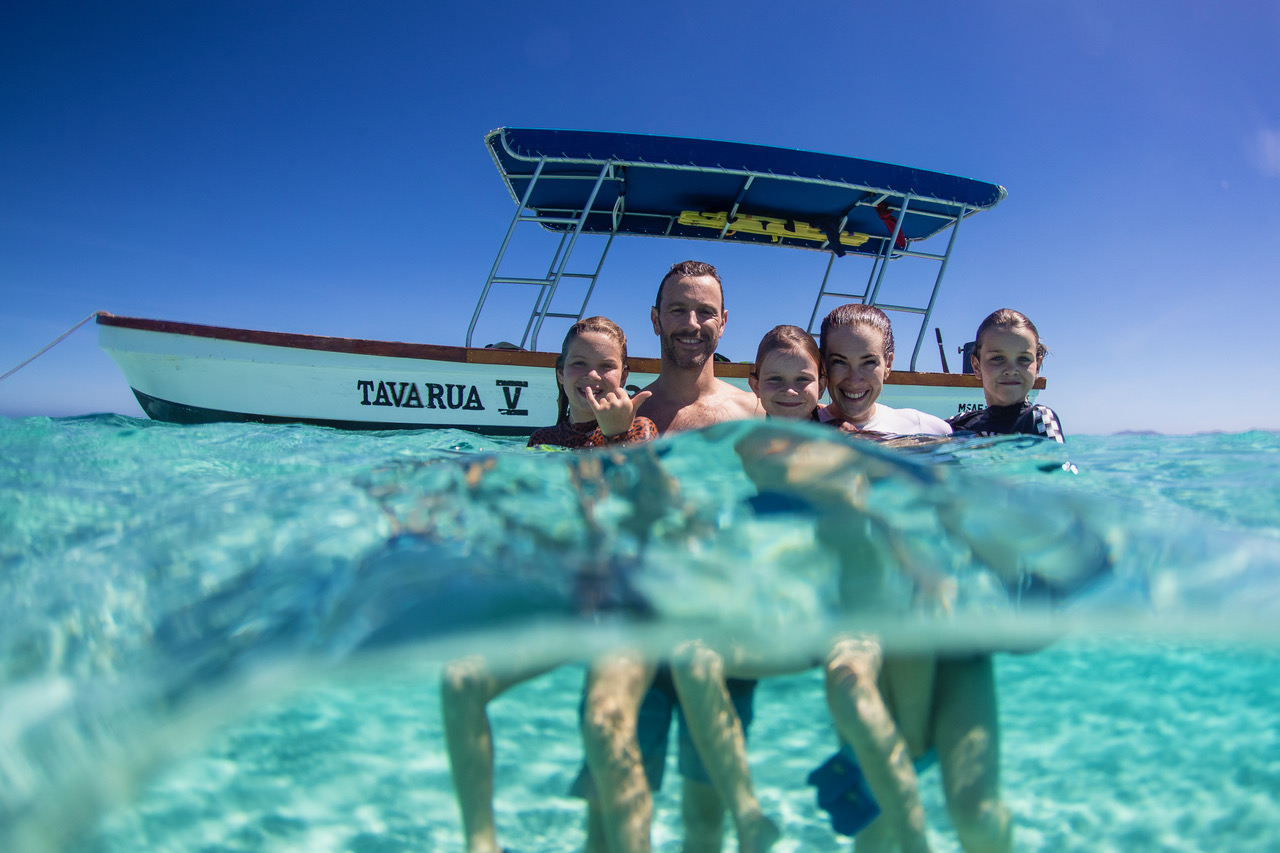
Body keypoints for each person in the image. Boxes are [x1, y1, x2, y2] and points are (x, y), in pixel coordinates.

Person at [442, 316, 656, 853]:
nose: (592, 376)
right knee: (461, 679)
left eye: (606, 365)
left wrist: (616, 438)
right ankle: (482, 842)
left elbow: (646, 514)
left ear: (625, 375)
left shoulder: (641, 433)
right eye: (578, 364)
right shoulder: (541, 442)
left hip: (621, 612)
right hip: (562, 603)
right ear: (559, 376)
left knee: (606, 729)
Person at [578, 260, 764, 853]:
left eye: (705, 311)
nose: (692, 323)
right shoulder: (625, 416)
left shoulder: (750, 411)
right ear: (656, 320)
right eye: (678, 310)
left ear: (724, 322)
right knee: (611, 811)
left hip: (723, 632)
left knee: (705, 812)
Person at [816, 304, 951, 438]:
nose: (854, 380)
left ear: (888, 365)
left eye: (869, 362)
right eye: (839, 362)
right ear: (823, 365)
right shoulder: (801, 428)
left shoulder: (926, 430)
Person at [948, 309, 1063, 443]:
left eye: (1023, 359)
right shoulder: (961, 423)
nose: (1011, 370)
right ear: (976, 366)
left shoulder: (1038, 418)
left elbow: (1056, 462)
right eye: (998, 358)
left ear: (1037, 366)